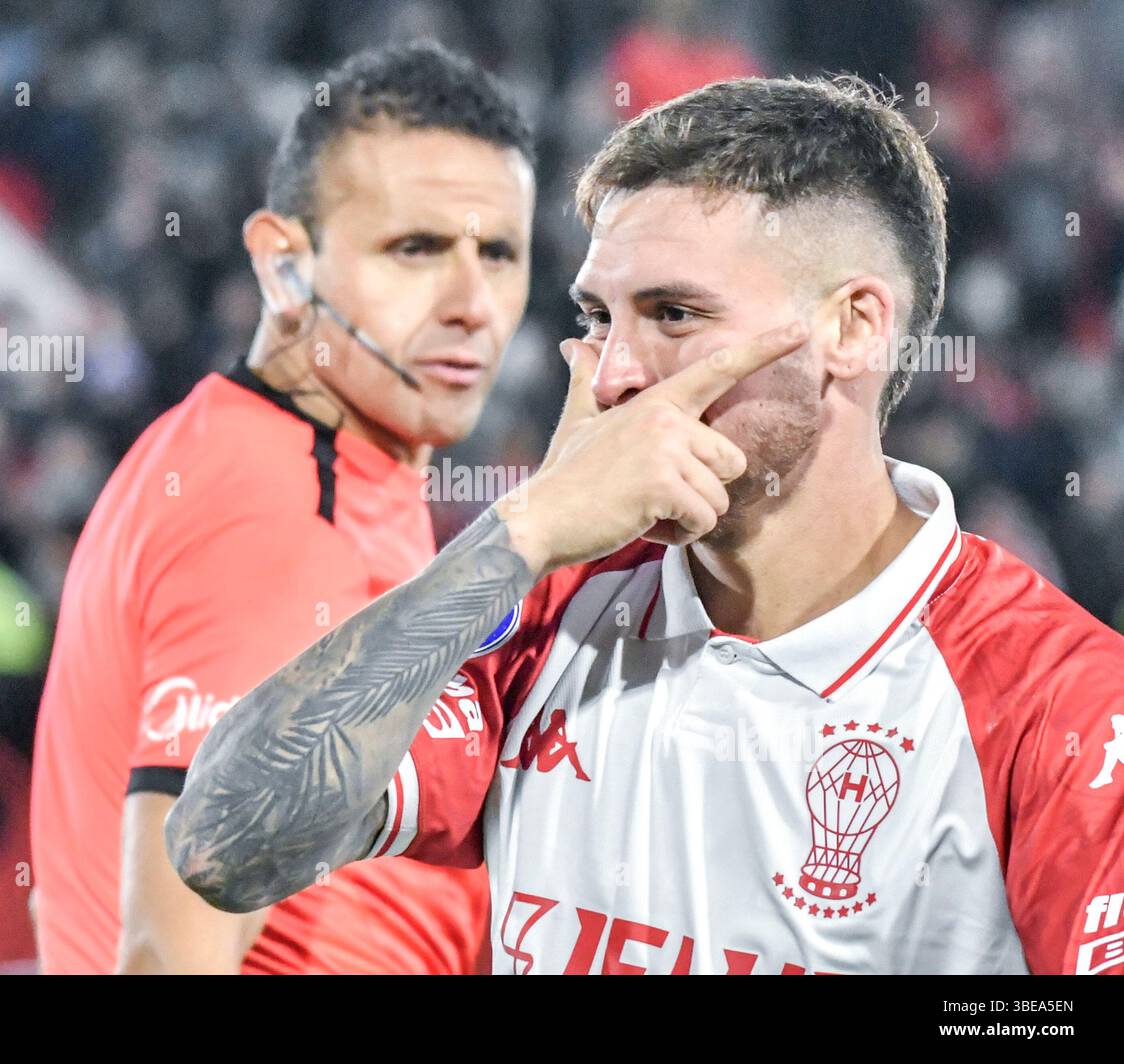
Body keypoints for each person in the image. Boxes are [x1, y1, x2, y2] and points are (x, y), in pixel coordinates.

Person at [167, 75, 1124, 975]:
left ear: (854, 328)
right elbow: (224, 842)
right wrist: (522, 528)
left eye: (673, 313)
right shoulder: (541, 606)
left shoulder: (1058, 701)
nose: (615, 374)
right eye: (597, 316)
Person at [30, 40, 536, 974]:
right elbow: (166, 960)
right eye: (417, 247)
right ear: (283, 266)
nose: (475, 303)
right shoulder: (271, 504)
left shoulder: (283, 462)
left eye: (499, 252)